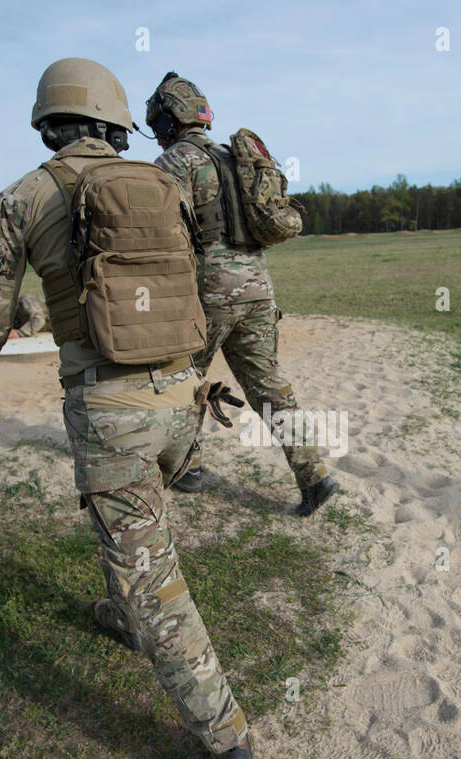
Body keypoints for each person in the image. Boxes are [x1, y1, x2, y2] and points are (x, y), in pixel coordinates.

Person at [0, 58, 258, 759]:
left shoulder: (25, 197)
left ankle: (228, 740)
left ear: (48, 123)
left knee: (154, 576)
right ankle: (124, 611)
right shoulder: (164, 185)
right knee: (131, 531)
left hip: (112, 411)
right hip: (183, 398)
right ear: (117, 123)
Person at [146, 72, 338, 517]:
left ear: (167, 122)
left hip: (205, 293)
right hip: (257, 288)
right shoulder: (234, 158)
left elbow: (162, 234)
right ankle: (314, 477)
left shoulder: (174, 163)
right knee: (270, 386)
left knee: (184, 381)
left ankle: (188, 469)